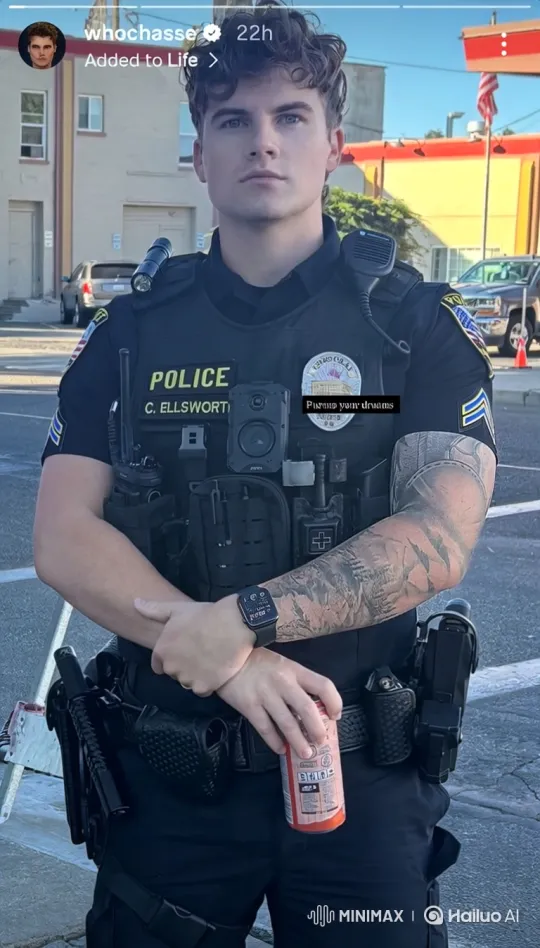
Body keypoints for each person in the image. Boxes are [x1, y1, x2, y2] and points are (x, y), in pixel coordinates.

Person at [34, 5, 497, 947]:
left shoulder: (412, 328)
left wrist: (243, 622)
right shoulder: (130, 335)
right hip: (170, 775)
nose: (264, 142)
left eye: (291, 116)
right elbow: (63, 536)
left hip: (360, 775)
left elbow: (438, 536)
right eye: (233, 120)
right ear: (198, 153)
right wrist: (233, 662)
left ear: (334, 145)